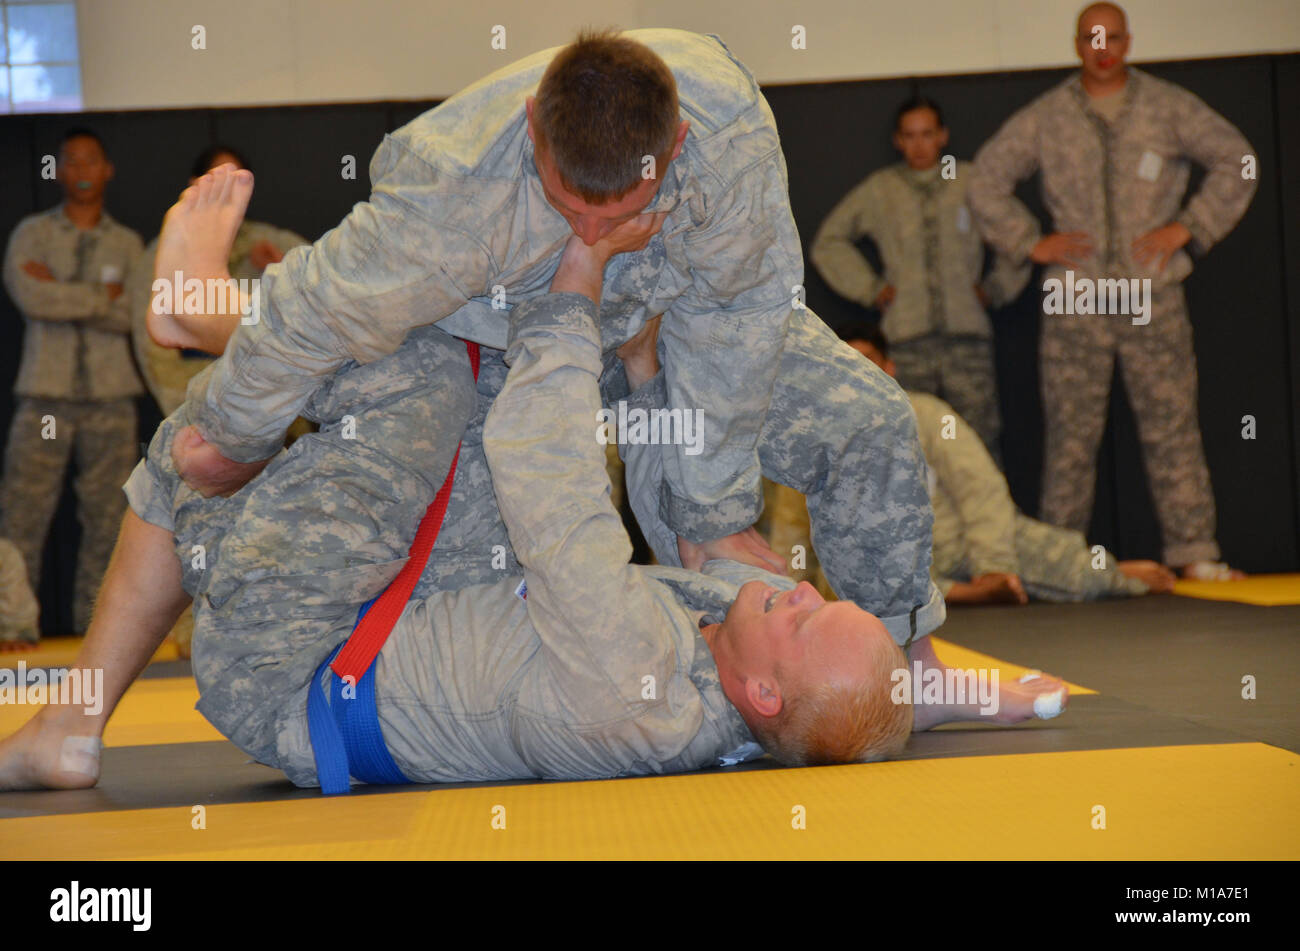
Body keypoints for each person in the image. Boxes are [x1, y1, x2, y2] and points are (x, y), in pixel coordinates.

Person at [0, 178, 1074, 793]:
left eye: (798, 617)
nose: (796, 588)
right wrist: (641, 371)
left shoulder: (637, 677)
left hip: (294, 666)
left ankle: (208, 316)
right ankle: (76, 721)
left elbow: (545, 472)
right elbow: (760, 619)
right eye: (816, 595)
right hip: (420, 619)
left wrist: (580, 287)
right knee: (471, 368)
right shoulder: (753, 679)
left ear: (761, 695)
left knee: (393, 382)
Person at [152, 28, 945, 650]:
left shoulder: (727, 135)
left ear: (676, 144)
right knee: (480, 588)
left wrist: (712, 508)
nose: (592, 235)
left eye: (618, 211)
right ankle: (199, 299)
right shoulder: (454, 185)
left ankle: (907, 662)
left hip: (672, 313)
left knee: (868, 420)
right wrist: (237, 434)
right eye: (571, 209)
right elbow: (320, 307)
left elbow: (739, 318)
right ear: (532, 126)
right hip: (507, 346)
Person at [967, 2, 1257, 580]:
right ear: (1077, 44)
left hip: (1151, 292)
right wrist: (1030, 241)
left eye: (1113, 37)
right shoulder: (1050, 114)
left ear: (1128, 41)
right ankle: (1061, 561)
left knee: (1172, 424)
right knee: (1071, 437)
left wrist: (1189, 228)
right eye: (1091, 38)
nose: (1102, 48)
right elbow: (985, 180)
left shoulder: (1167, 105)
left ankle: (1194, 551)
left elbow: (1239, 160)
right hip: (1077, 297)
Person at [846, 323, 1176, 604]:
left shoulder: (929, 416)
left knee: (1079, 570)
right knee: (862, 579)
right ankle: (963, 594)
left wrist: (991, 564)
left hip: (967, 542)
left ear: (889, 368)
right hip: (901, 565)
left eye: (868, 360)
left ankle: (1113, 571)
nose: (860, 372)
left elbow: (980, 485)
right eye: (849, 364)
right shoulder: (828, 437)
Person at [811, 96, 1029, 464]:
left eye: (927, 134)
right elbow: (828, 243)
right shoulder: (881, 189)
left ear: (943, 136)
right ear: (897, 140)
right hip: (906, 342)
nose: (919, 145)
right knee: (908, 443)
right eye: (910, 136)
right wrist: (871, 289)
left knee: (979, 443)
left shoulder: (969, 181)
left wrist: (996, 288)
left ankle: (986, 505)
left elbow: (1020, 234)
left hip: (967, 341)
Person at [1, 128, 144, 637]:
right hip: (46, 396)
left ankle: (98, 635)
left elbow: (134, 313)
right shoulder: (32, 234)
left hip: (112, 398)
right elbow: (32, 296)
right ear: (57, 170)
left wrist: (62, 290)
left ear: (107, 170)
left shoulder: (127, 244)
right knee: (22, 514)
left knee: (110, 521)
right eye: (71, 161)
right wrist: (101, 297)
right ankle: (11, 627)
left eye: (91, 161)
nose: (82, 171)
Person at [127, 144, 310, 417]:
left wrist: (280, 268)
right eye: (216, 177)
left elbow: (317, 302)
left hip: (267, 387)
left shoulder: (270, 242)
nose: (227, 187)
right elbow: (151, 348)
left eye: (236, 179)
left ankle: (215, 313)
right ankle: (210, 311)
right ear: (195, 182)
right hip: (194, 384)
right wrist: (179, 403)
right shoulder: (163, 252)